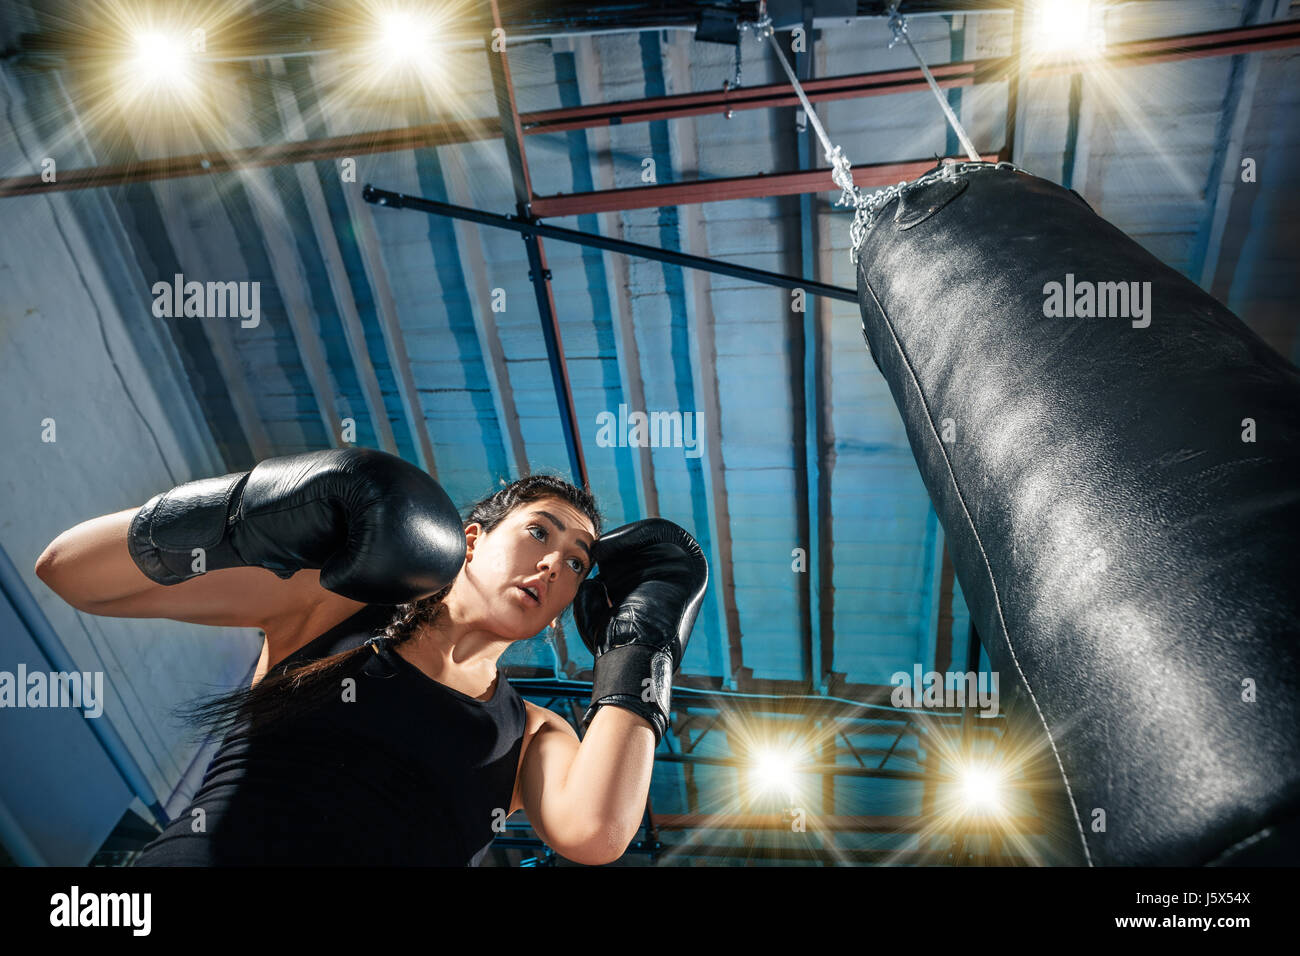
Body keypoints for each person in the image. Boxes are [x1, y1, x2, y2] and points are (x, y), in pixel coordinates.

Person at [33, 447, 708, 865]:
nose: (552, 566)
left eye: (576, 564)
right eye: (538, 532)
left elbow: (597, 832)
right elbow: (70, 570)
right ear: (471, 539)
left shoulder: (533, 732)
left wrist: (642, 644)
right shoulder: (335, 604)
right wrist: (246, 507)